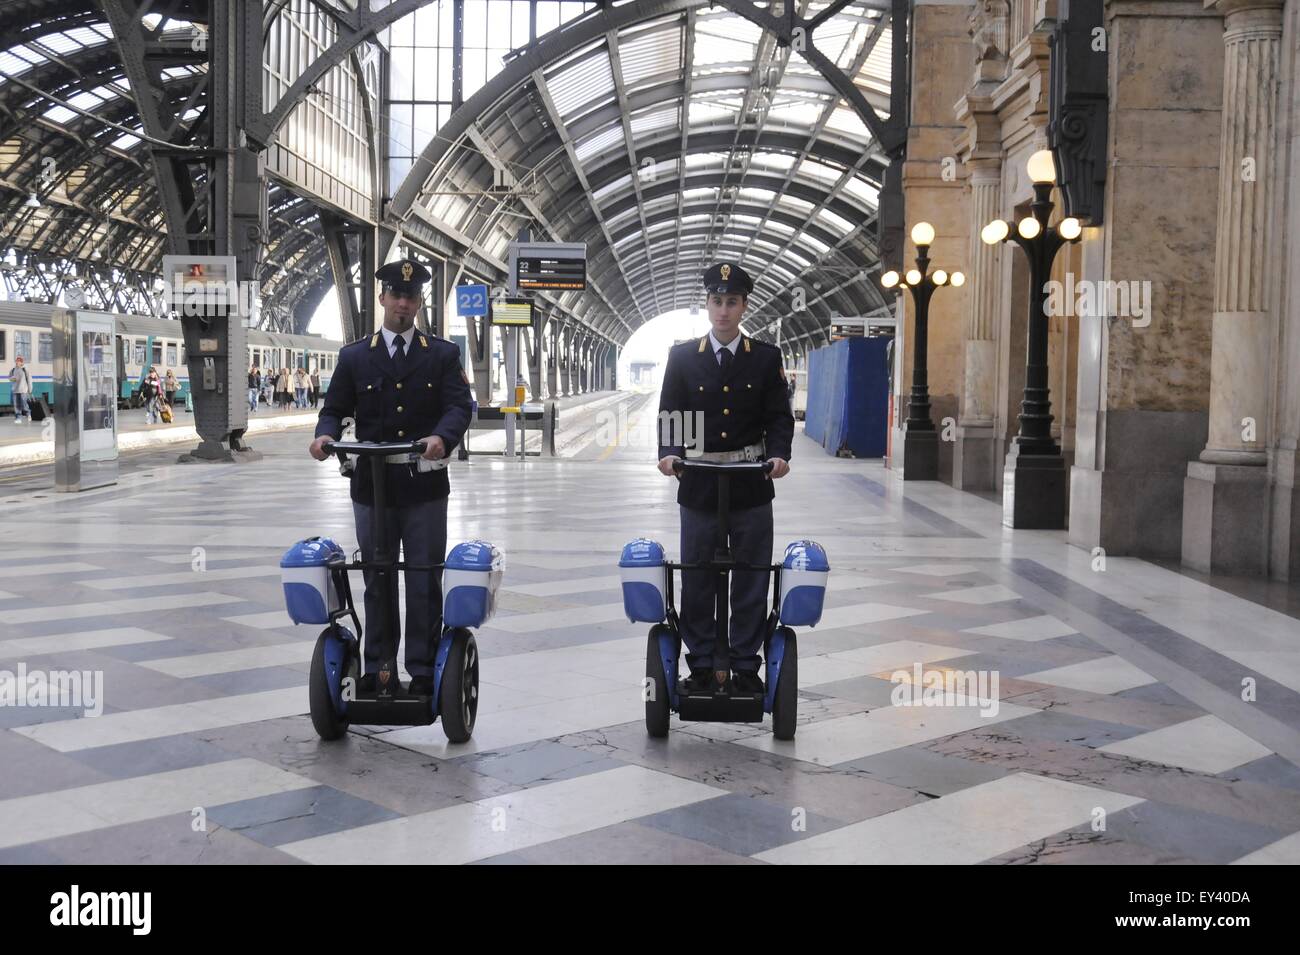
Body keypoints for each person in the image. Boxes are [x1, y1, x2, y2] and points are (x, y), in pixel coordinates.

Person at [309, 258, 473, 697]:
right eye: (396, 295)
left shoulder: (441, 355)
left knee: (422, 577)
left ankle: (421, 671)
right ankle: (378, 668)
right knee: (377, 577)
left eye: (411, 296)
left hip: (423, 486)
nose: (403, 303)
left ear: (419, 304)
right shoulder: (354, 357)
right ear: (382, 298)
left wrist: (443, 436)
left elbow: (460, 406)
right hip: (372, 488)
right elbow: (334, 409)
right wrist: (324, 436)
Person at [656, 261, 794, 694]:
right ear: (707, 305)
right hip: (698, 482)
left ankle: (745, 663)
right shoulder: (682, 357)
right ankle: (699, 663)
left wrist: (779, 456)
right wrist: (669, 454)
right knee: (697, 575)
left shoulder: (766, 358)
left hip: (751, 484)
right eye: (717, 302)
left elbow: (779, 418)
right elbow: (671, 413)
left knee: (751, 576)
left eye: (731, 302)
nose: (723, 311)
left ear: (744, 306)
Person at [8, 355, 31, 424]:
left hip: (23, 390)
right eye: (17, 361)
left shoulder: (25, 369)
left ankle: (28, 413)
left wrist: (30, 389)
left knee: (24, 404)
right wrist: (13, 379)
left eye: (19, 361)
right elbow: (10, 378)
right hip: (15, 390)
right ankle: (18, 418)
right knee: (16, 405)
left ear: (22, 362)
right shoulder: (13, 370)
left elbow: (29, 379)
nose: (17, 362)